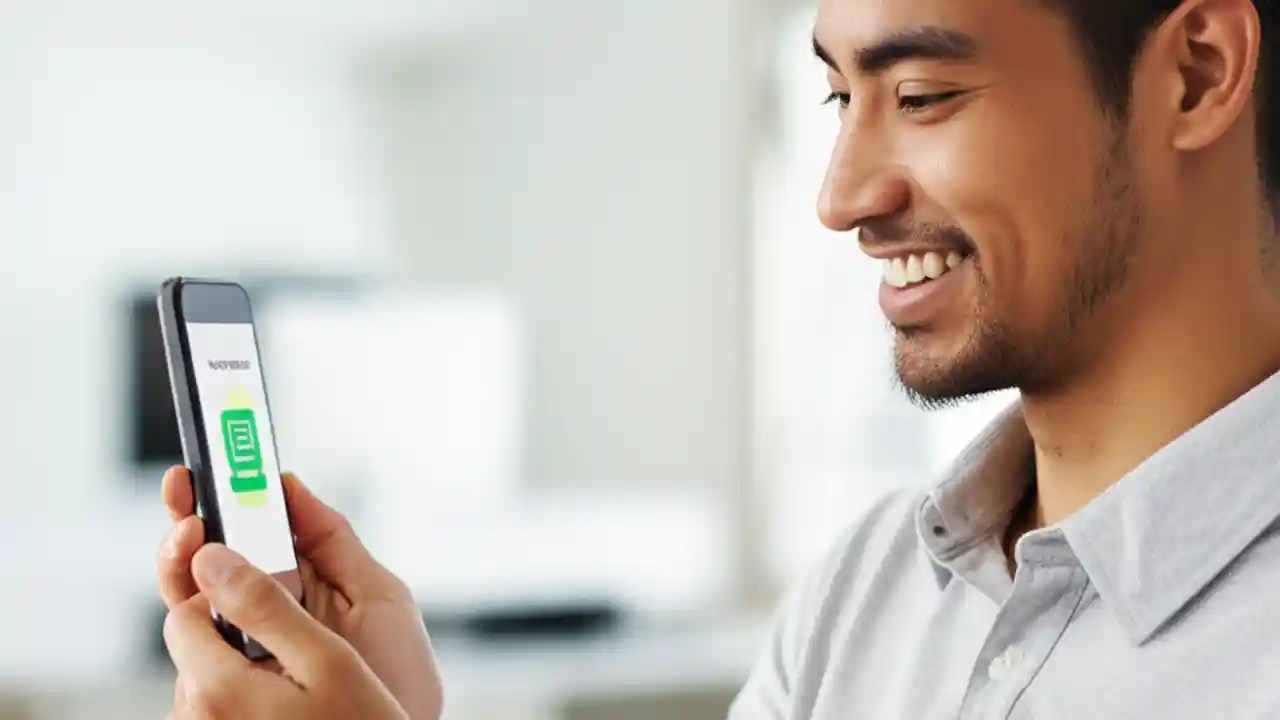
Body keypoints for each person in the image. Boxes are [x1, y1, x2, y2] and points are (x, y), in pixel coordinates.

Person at [156, 0, 1280, 717]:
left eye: (921, 95)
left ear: (1191, 70)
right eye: (839, 98)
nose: (840, 197)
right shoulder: (872, 586)